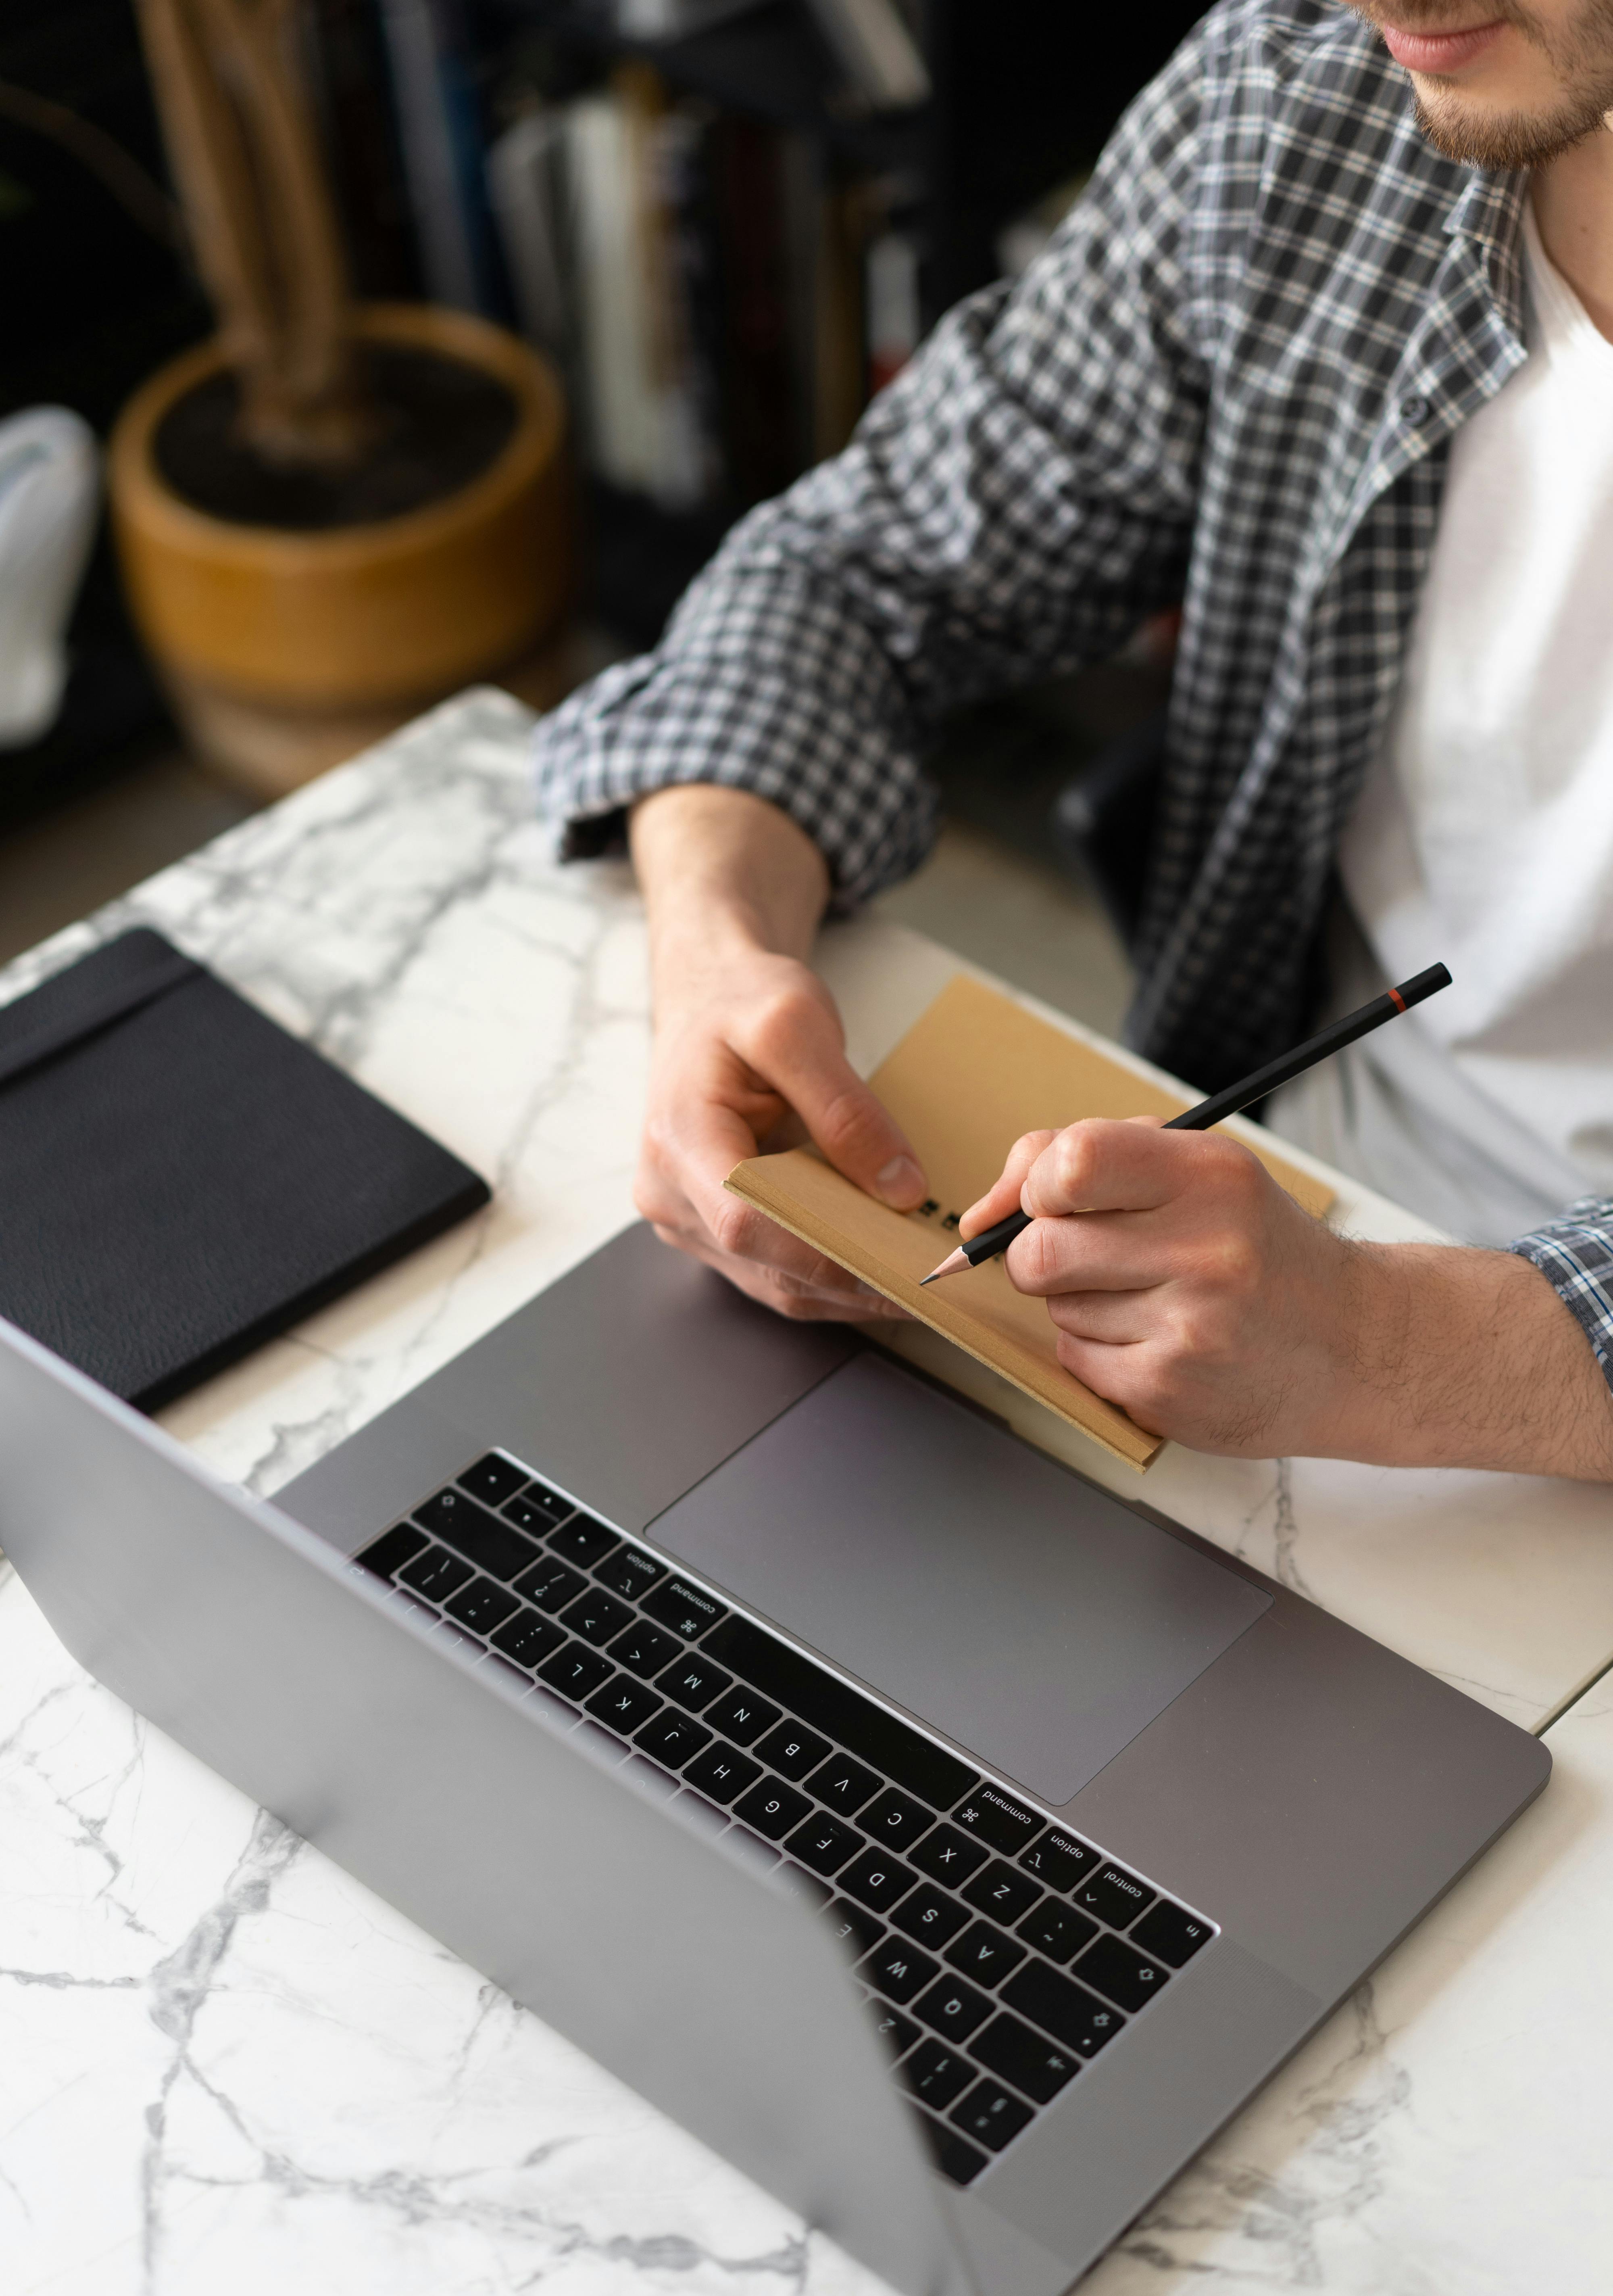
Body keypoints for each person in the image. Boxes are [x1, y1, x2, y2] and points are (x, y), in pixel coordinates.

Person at [532, 0, 1613, 1482]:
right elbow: (854, 571)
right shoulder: (1317, 107)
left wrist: (1387, 1348)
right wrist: (715, 945)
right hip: (1279, 1243)